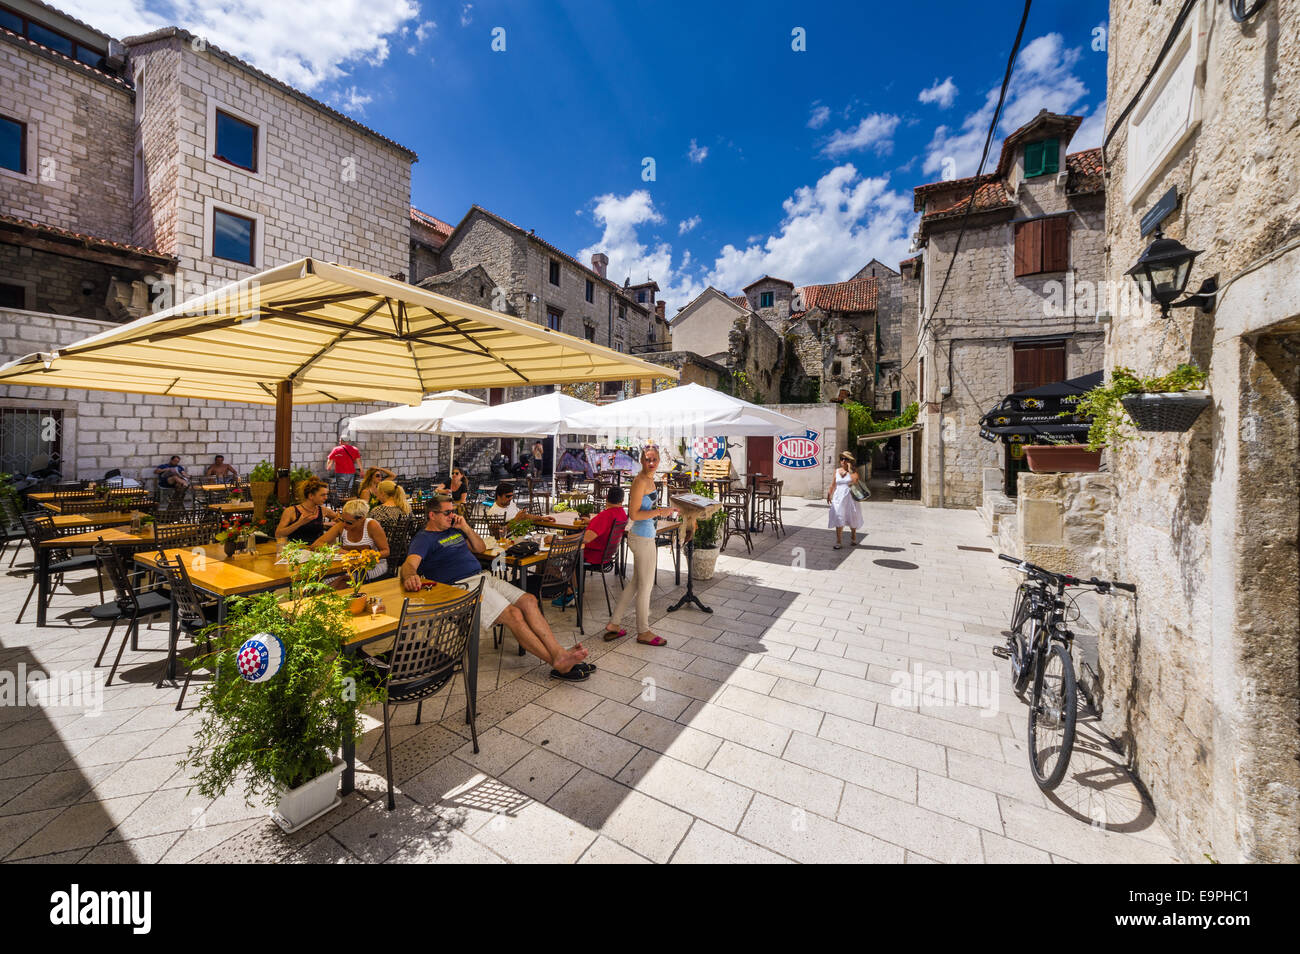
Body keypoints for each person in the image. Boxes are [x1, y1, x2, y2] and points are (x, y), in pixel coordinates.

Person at [400, 495, 591, 679]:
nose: (452, 516)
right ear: (432, 515)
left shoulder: (455, 529)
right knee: (514, 615)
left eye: (453, 511)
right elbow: (409, 565)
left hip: (484, 577)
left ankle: (558, 652)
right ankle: (557, 661)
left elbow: (480, 548)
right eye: (447, 513)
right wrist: (410, 576)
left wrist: (465, 527)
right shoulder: (424, 538)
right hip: (461, 587)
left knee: (529, 600)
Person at [604, 445, 674, 645]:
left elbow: (647, 508)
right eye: (647, 460)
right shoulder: (640, 481)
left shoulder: (650, 479)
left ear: (658, 461)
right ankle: (643, 631)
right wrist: (659, 512)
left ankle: (614, 623)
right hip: (641, 538)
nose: (651, 463)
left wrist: (660, 510)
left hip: (647, 536)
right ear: (641, 461)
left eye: (654, 460)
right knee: (645, 587)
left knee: (636, 583)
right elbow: (633, 514)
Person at [312, 498, 389, 579]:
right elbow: (316, 544)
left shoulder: (372, 525)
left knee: (342, 579)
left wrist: (369, 556)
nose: (344, 524)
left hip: (373, 566)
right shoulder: (342, 525)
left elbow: (386, 551)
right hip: (349, 566)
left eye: (349, 522)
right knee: (323, 579)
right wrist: (338, 550)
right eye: (342, 520)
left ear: (361, 519)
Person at [276, 476, 342, 544]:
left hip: (317, 550)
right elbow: (278, 534)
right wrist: (299, 523)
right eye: (322, 495)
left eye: (326, 495)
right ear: (311, 496)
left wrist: (329, 526)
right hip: (297, 550)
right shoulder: (291, 511)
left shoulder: (323, 510)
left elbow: (341, 521)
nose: (326, 498)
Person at [827, 451, 864, 549]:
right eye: (842, 459)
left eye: (846, 459)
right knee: (839, 516)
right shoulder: (837, 471)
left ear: (850, 461)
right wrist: (829, 493)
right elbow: (833, 484)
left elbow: (855, 481)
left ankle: (853, 536)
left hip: (851, 498)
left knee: (852, 517)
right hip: (839, 498)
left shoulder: (853, 471)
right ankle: (838, 541)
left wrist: (850, 469)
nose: (843, 461)